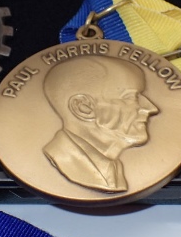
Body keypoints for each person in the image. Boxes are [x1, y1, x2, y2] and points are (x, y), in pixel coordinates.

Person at [42, 56, 159, 192]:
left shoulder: (113, 166)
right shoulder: (64, 158)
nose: (151, 108)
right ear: (84, 108)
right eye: (131, 97)